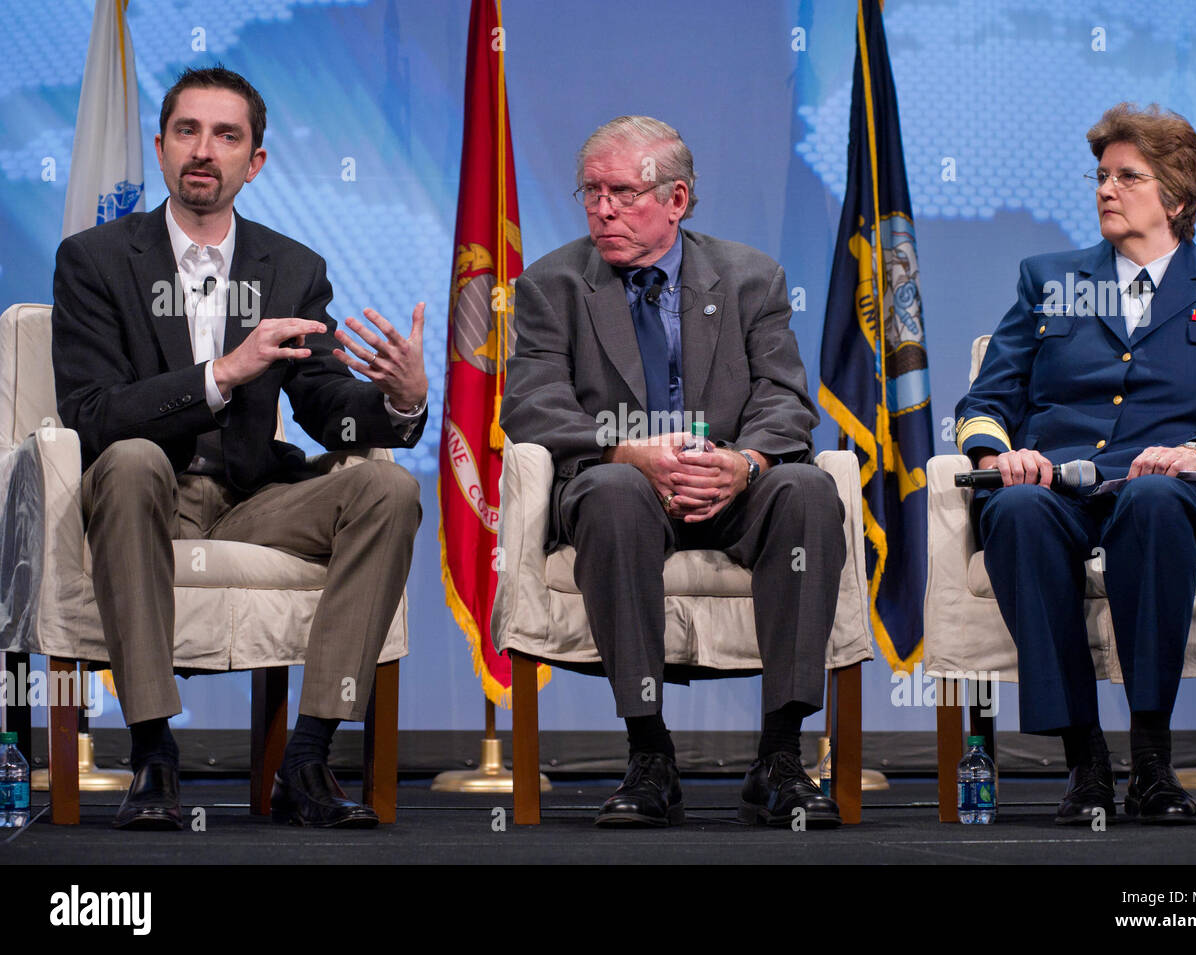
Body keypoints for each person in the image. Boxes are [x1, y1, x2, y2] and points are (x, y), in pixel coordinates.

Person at [52, 67, 428, 830]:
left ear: (254, 161)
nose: (204, 150)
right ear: (160, 149)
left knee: (388, 490)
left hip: (251, 501)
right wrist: (222, 374)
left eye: (227, 136)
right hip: (140, 497)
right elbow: (91, 416)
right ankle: (155, 750)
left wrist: (401, 400)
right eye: (188, 131)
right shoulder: (93, 260)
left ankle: (309, 754)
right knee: (127, 459)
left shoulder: (291, 268)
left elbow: (326, 408)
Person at [501, 116, 846, 828]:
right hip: (621, 486)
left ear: (677, 199)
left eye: (623, 193)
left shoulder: (752, 277)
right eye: (591, 191)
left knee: (807, 486)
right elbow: (532, 409)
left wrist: (744, 464)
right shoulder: (551, 286)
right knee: (612, 491)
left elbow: (785, 399)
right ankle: (649, 752)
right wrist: (626, 451)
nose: (603, 208)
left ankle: (780, 755)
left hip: (730, 486)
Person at [955, 103, 1196, 825]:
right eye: (1100, 175)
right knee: (1011, 511)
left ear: (1176, 196)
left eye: (1126, 176)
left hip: (1171, 487)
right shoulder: (1048, 277)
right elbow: (984, 400)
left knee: (1157, 502)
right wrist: (1001, 454)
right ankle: (1086, 760)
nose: (1104, 189)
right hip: (1059, 485)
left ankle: (1154, 760)